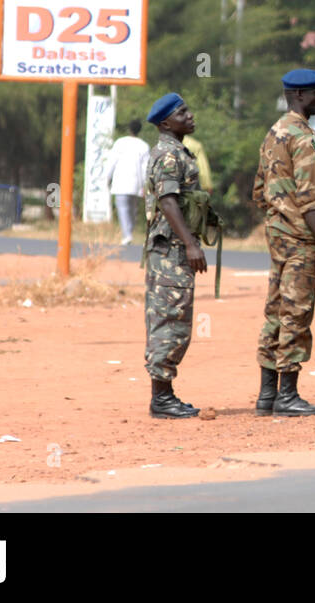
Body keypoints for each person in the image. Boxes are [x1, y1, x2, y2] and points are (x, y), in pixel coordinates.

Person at [252, 68, 315, 417]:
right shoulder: (303, 137)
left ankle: (267, 395)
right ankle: (288, 395)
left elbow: (258, 192)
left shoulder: (274, 133)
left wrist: (278, 217)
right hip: (300, 239)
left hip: (277, 236)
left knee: (275, 309)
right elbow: (310, 199)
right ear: (301, 96)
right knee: (296, 313)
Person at [142, 92, 207, 419]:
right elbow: (168, 202)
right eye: (183, 112)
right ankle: (162, 398)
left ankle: (164, 395)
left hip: (172, 249)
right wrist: (191, 245)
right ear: (166, 123)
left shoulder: (176, 151)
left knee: (173, 318)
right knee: (169, 320)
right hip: (172, 251)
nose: (190, 115)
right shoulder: (169, 156)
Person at [105, 119, 150, 245]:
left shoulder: (120, 143)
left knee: (123, 209)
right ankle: (128, 232)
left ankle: (127, 234)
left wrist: (107, 177)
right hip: (136, 183)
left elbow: (111, 162)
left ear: (129, 129)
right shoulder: (144, 145)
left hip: (120, 182)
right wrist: (146, 184)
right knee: (132, 210)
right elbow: (145, 167)